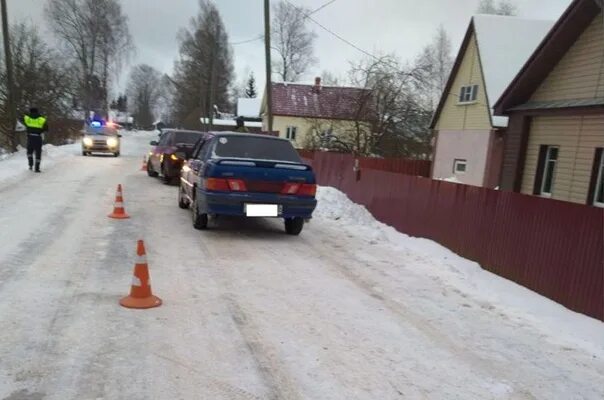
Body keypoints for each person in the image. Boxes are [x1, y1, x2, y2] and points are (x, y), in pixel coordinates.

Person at [22, 107, 48, 172]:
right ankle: (37, 168)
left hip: (30, 138)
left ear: (30, 112)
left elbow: (22, 120)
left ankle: (30, 165)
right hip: (38, 138)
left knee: (29, 152)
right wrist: (40, 130)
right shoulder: (41, 119)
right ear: (37, 112)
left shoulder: (27, 118)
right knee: (38, 153)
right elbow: (46, 129)